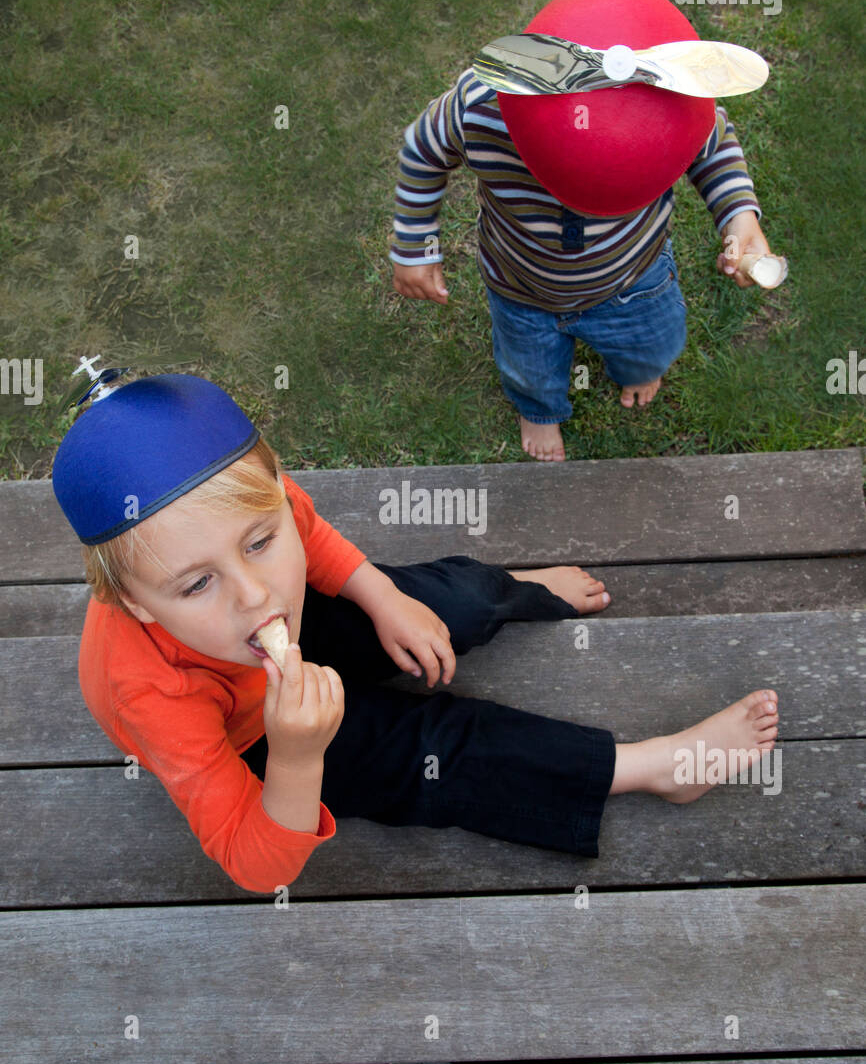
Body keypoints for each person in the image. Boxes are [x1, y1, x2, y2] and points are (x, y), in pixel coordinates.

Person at [51, 372, 779, 895]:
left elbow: (308, 532)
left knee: (448, 604)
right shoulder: (150, 689)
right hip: (249, 730)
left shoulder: (239, 498)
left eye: (258, 544)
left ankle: (518, 593)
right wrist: (298, 756)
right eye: (197, 583)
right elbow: (254, 862)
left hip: (299, 632)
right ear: (139, 606)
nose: (253, 595)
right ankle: (649, 767)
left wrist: (379, 594)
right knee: (433, 751)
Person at [390, 0, 781, 460]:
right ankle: (538, 408)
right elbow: (423, 151)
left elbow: (714, 147)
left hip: (634, 278)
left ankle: (640, 368)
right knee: (528, 369)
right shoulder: (481, 107)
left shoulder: (677, 103)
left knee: (652, 346)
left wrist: (740, 218)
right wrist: (414, 244)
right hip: (521, 288)